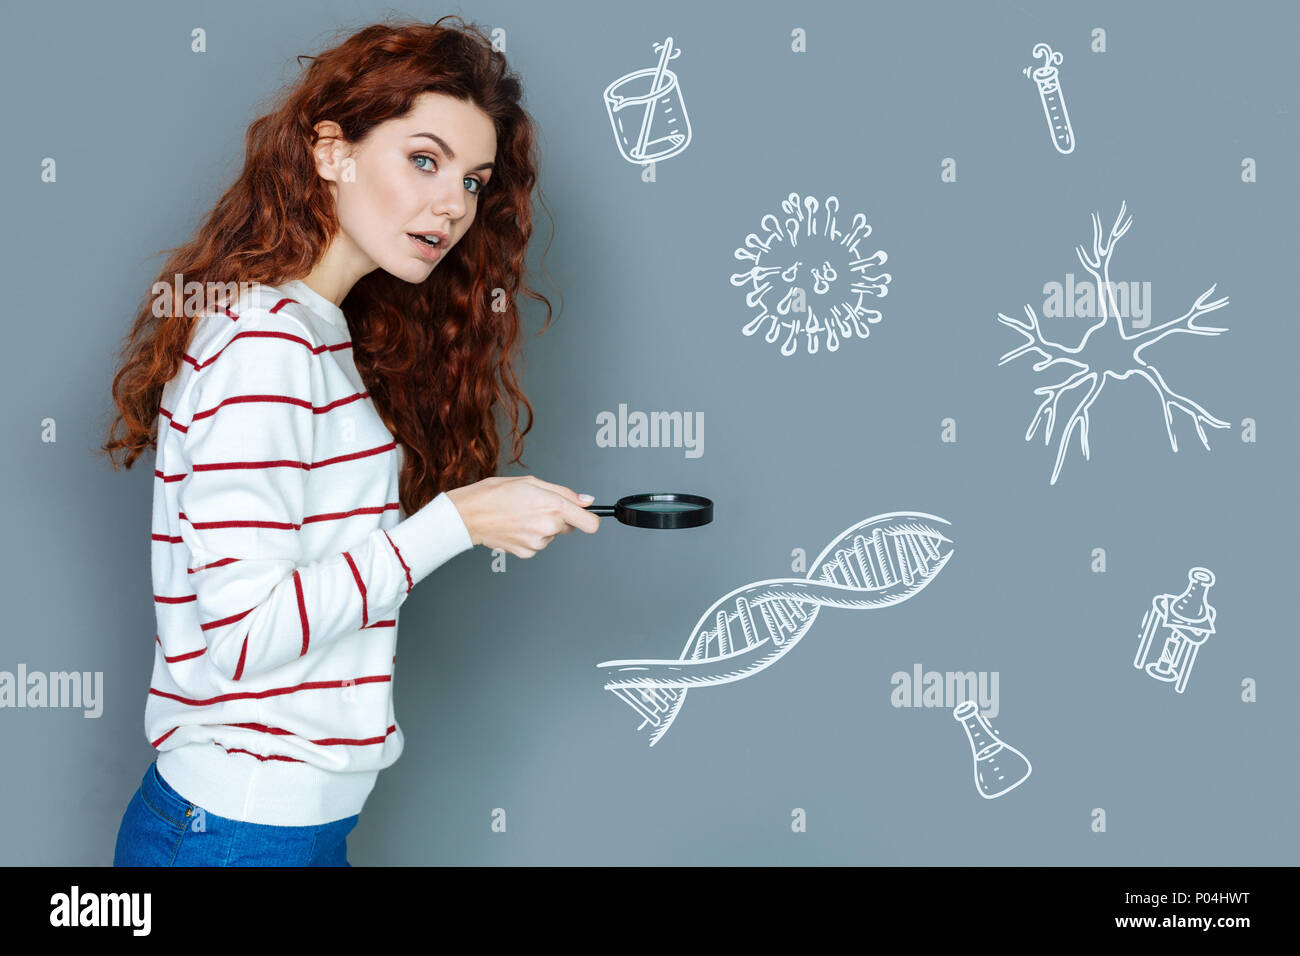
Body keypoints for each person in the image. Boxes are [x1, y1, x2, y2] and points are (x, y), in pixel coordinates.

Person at [99, 16, 599, 866]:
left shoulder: (315, 331)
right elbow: (245, 634)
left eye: (474, 182)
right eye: (424, 159)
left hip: (279, 827)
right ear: (331, 151)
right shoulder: (265, 347)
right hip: (237, 831)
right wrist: (455, 524)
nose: (452, 204)